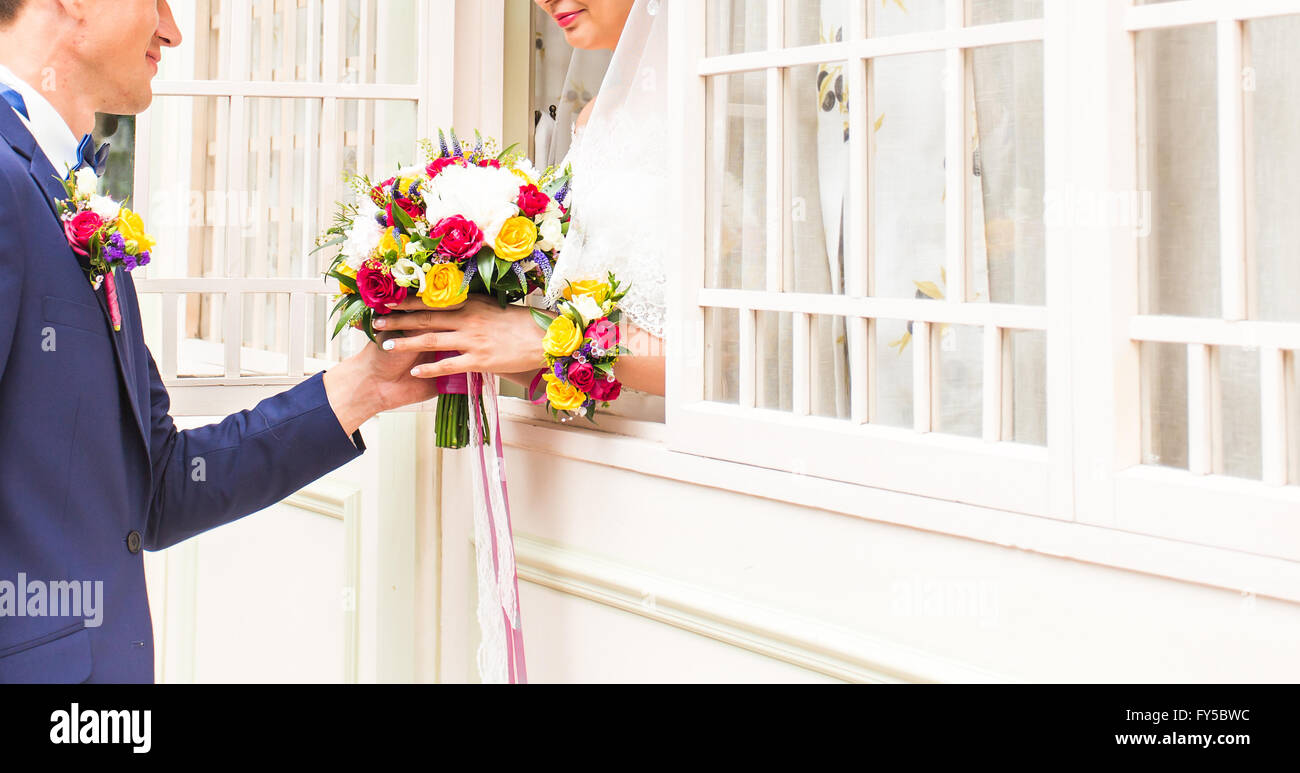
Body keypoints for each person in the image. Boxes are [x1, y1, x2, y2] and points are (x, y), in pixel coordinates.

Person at [0, 0, 436, 684]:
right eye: (157, 0)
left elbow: (162, 487)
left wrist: (364, 388)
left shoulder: (66, 194)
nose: (172, 29)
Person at [376, 0, 669, 399]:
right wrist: (456, 336)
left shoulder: (703, 104)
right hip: (576, 439)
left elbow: (718, 360)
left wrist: (544, 334)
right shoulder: (595, 116)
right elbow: (565, 375)